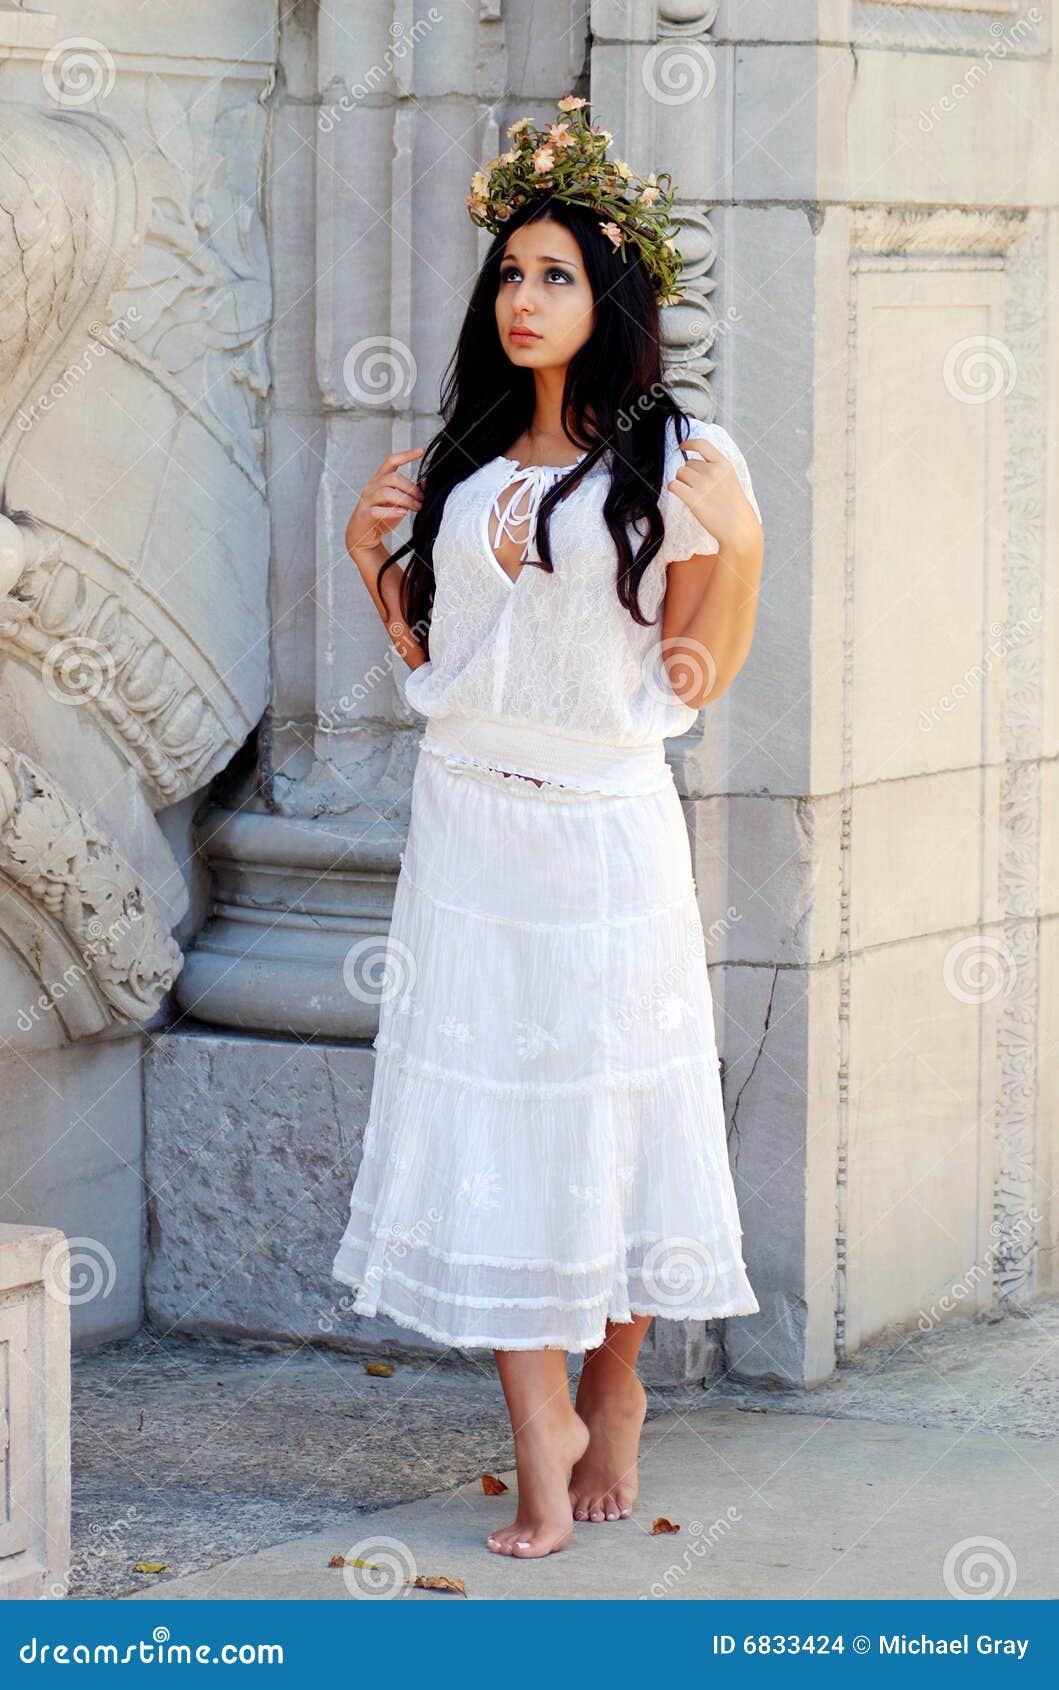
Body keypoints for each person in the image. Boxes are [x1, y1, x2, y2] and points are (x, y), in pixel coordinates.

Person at [332, 96, 766, 1560]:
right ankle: (537, 1432)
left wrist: (745, 547)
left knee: (611, 1102)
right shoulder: (459, 463)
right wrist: (370, 564)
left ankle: (617, 1377)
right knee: (486, 1115)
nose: (525, 300)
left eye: (558, 275)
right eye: (510, 275)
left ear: (612, 294)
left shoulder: (680, 457)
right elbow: (437, 677)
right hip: (467, 825)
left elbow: (697, 671)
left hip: (601, 825)